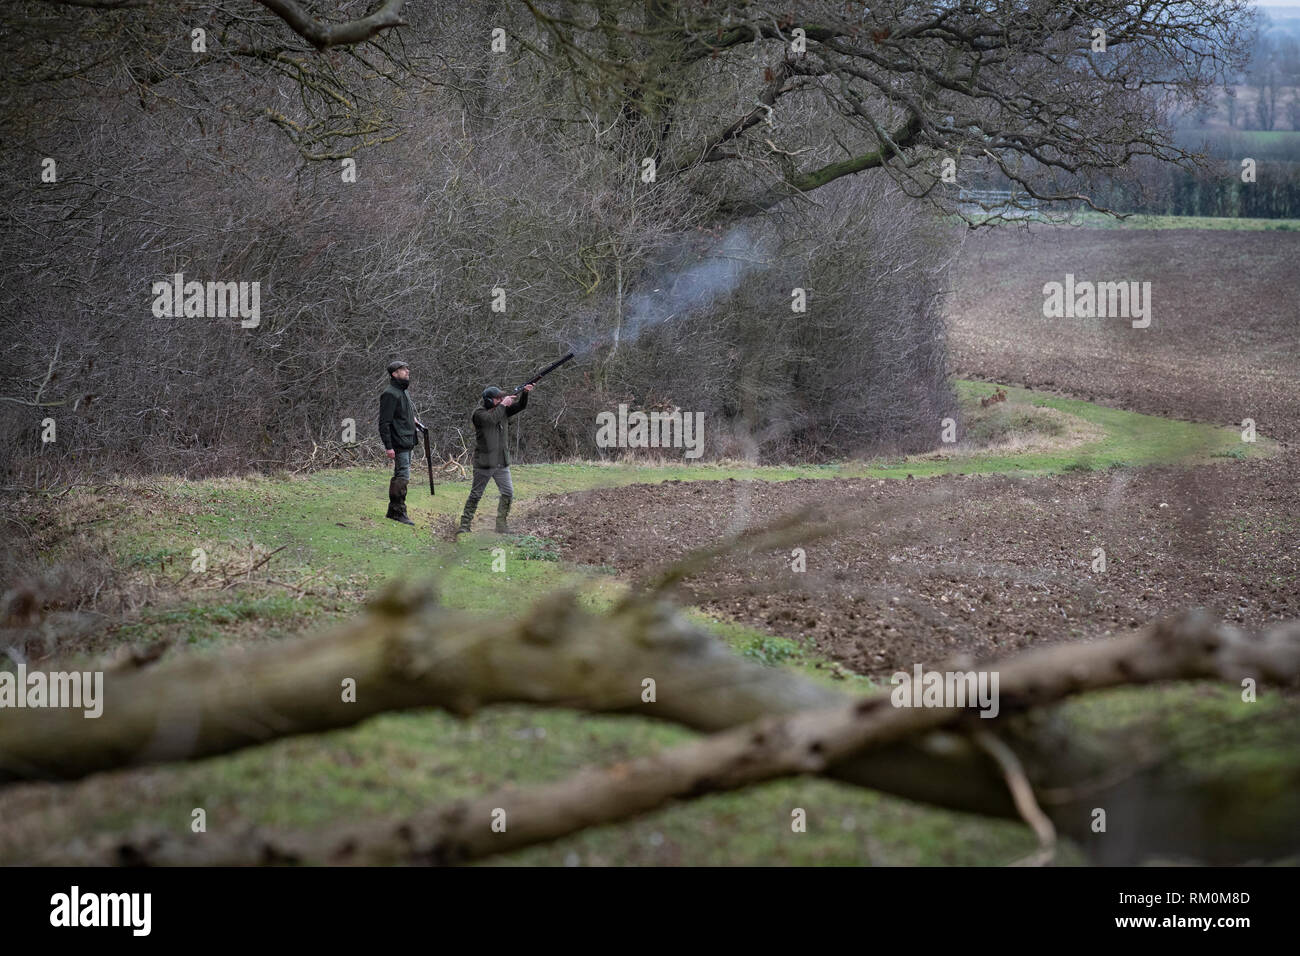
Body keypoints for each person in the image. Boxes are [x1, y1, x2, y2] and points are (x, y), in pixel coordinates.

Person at [457, 382, 533, 535]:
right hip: (485, 462)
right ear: (489, 400)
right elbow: (491, 420)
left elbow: (520, 406)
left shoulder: (501, 410)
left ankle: (501, 524)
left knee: (508, 493)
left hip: (501, 461)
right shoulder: (479, 414)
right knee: (476, 494)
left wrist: (525, 393)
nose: (500, 400)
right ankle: (464, 525)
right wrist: (503, 405)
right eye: (497, 398)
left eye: (501, 398)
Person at [377, 360, 425, 526]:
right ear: (394, 374)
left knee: (402, 475)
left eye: (406, 368)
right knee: (402, 477)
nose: (407, 371)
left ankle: (393, 511)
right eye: (402, 369)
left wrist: (414, 421)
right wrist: (388, 446)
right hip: (398, 442)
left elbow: (402, 413)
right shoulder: (390, 393)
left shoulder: (403, 391)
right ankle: (398, 511)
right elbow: (384, 423)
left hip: (407, 439)